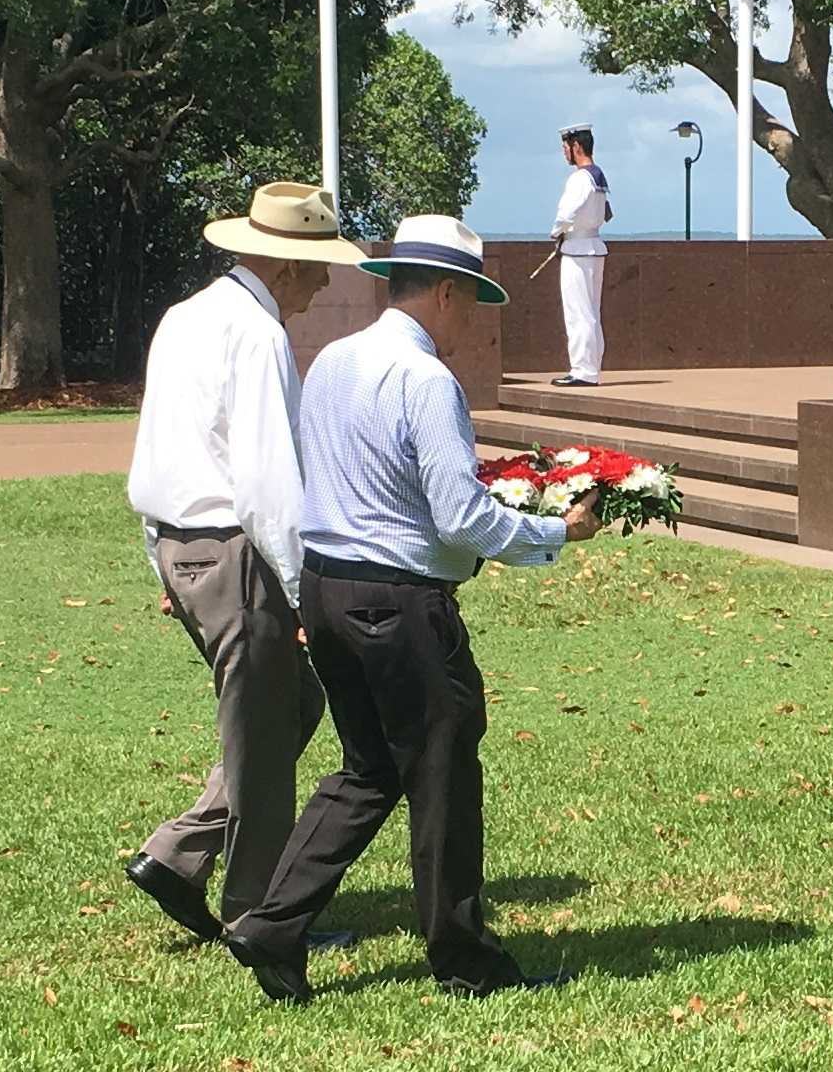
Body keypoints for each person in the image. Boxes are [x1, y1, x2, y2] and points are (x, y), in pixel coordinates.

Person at [227, 215, 599, 1004]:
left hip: (328, 589)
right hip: (399, 602)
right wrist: (553, 531)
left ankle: (271, 924)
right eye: (471, 303)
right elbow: (460, 517)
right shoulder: (428, 382)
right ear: (444, 293)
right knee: (443, 775)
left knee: (366, 770)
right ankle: (463, 959)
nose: (471, 321)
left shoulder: (330, 359)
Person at [121, 181, 367, 943]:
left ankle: (181, 853)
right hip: (236, 554)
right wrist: (301, 594)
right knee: (263, 740)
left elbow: (158, 445)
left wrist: (164, 563)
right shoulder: (258, 336)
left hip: (182, 545)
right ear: (287, 265)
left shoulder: (185, 316)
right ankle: (258, 912)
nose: (325, 279)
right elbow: (267, 480)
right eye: (319, 264)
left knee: (290, 706)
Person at [548, 125, 611, 386]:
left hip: (578, 247)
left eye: (566, 147)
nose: (565, 153)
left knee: (578, 312)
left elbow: (566, 214)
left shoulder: (580, 178)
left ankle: (583, 370)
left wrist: (557, 232)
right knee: (591, 311)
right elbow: (606, 213)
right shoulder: (598, 176)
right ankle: (590, 366)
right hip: (593, 246)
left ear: (576, 147)